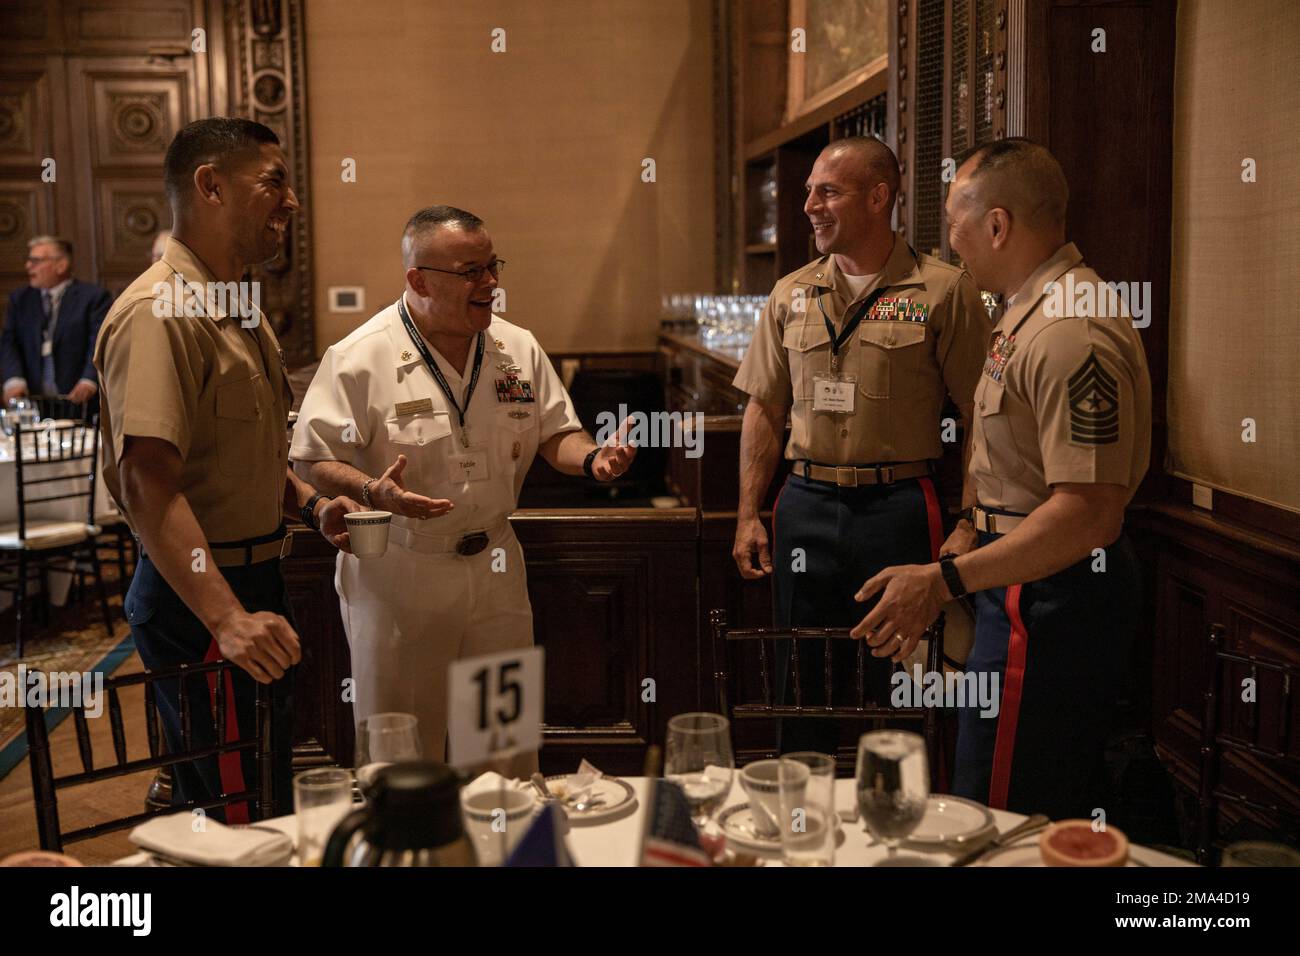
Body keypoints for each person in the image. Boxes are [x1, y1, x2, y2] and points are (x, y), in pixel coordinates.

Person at [850, 138, 1152, 820]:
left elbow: (1089, 513)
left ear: (997, 225)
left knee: (1005, 809)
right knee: (990, 785)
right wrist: (968, 529)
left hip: (1050, 593)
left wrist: (944, 581)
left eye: (955, 219)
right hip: (1014, 579)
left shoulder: (1071, 329)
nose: (949, 239)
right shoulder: (1024, 310)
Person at [291, 205, 636, 767]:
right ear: (419, 280)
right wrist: (375, 492)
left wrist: (595, 458)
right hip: (400, 569)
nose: (490, 282)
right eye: (471, 271)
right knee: (402, 755)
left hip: (495, 566)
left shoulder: (516, 347)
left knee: (502, 749)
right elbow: (312, 459)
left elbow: (557, 432)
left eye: (493, 266)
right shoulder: (359, 357)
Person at [94, 117, 360, 819]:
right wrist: (228, 618)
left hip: (250, 583)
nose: (291, 201)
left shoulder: (235, 305)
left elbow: (246, 453)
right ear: (210, 185)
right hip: (204, 598)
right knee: (231, 817)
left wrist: (310, 505)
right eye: (273, 182)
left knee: (261, 795)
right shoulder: (158, 312)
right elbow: (147, 481)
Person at [730, 136, 991, 755]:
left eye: (828, 192)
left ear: (878, 197)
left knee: (903, 685)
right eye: (809, 192)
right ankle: (803, 803)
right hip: (804, 506)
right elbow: (764, 407)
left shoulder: (944, 291)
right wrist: (747, 513)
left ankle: (901, 807)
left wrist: (969, 522)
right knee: (801, 683)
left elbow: (981, 415)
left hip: (898, 509)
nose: (809, 206)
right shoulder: (790, 293)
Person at [2, 236, 111, 409]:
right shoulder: (20, 299)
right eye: (29, 260)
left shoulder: (93, 298)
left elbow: (99, 343)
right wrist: (13, 380)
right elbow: (9, 342)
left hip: (78, 402)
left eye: (36, 260)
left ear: (61, 265)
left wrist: (89, 379)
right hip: (32, 401)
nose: (28, 266)